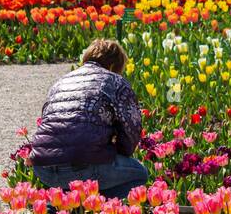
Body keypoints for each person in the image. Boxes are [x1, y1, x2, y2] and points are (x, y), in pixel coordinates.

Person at [25, 39, 148, 197]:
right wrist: (120, 152)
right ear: (113, 66)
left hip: (44, 168)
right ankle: (91, 207)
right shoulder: (115, 81)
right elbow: (131, 130)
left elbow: (48, 122)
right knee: (139, 174)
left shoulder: (62, 82)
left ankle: (63, 203)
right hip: (86, 166)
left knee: (76, 173)